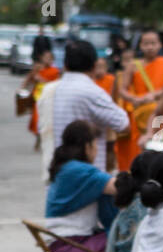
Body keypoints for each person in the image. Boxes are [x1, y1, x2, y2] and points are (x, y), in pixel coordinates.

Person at [42, 120, 117, 252]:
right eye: (95, 145)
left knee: (121, 236)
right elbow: (117, 187)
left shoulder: (67, 167)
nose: (97, 150)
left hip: (62, 248)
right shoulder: (78, 170)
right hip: (69, 249)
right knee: (129, 240)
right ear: (87, 146)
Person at [52, 39, 130, 172]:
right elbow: (123, 124)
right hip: (87, 172)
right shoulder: (91, 91)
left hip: (63, 167)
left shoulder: (58, 88)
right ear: (94, 66)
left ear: (65, 65)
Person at [120, 29, 163, 168]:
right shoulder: (133, 66)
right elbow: (122, 89)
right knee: (138, 148)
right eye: (146, 43)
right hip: (140, 113)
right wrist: (134, 99)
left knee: (162, 147)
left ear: (160, 45)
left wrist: (156, 94)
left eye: (153, 43)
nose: (150, 47)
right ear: (140, 46)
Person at [23, 37, 61, 150]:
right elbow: (29, 79)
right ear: (41, 58)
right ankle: (38, 136)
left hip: (49, 97)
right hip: (37, 96)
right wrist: (23, 87)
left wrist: (42, 80)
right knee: (35, 119)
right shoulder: (38, 68)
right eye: (46, 58)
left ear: (53, 60)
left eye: (50, 58)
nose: (47, 60)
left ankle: (44, 137)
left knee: (46, 119)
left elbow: (57, 84)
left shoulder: (55, 71)